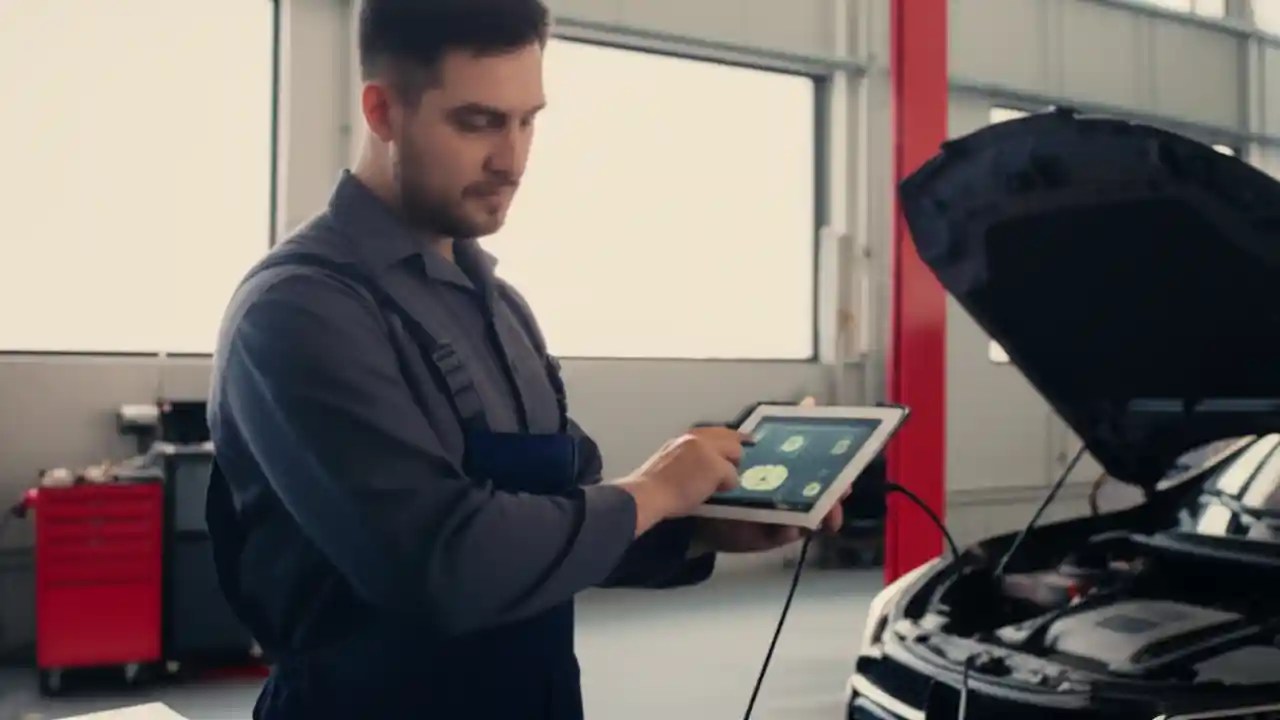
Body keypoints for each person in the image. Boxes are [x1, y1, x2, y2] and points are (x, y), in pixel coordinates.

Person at [205, 1, 845, 718]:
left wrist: (700, 526)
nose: (511, 159)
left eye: (527, 120)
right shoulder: (299, 311)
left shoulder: (500, 307)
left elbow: (559, 523)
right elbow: (443, 564)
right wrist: (658, 489)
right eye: (477, 121)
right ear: (383, 111)